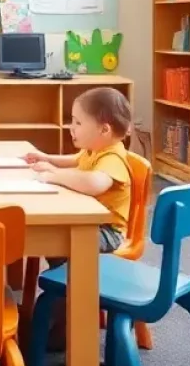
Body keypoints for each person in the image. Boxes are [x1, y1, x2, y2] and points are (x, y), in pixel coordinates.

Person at [25, 86, 133, 347]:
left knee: (59, 245)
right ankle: (59, 307)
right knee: (57, 248)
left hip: (107, 232)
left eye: (77, 122)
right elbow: (74, 161)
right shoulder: (94, 150)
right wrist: (46, 158)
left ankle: (64, 323)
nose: (70, 127)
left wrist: (53, 175)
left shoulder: (113, 157)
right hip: (88, 222)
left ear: (103, 130)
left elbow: (95, 183)